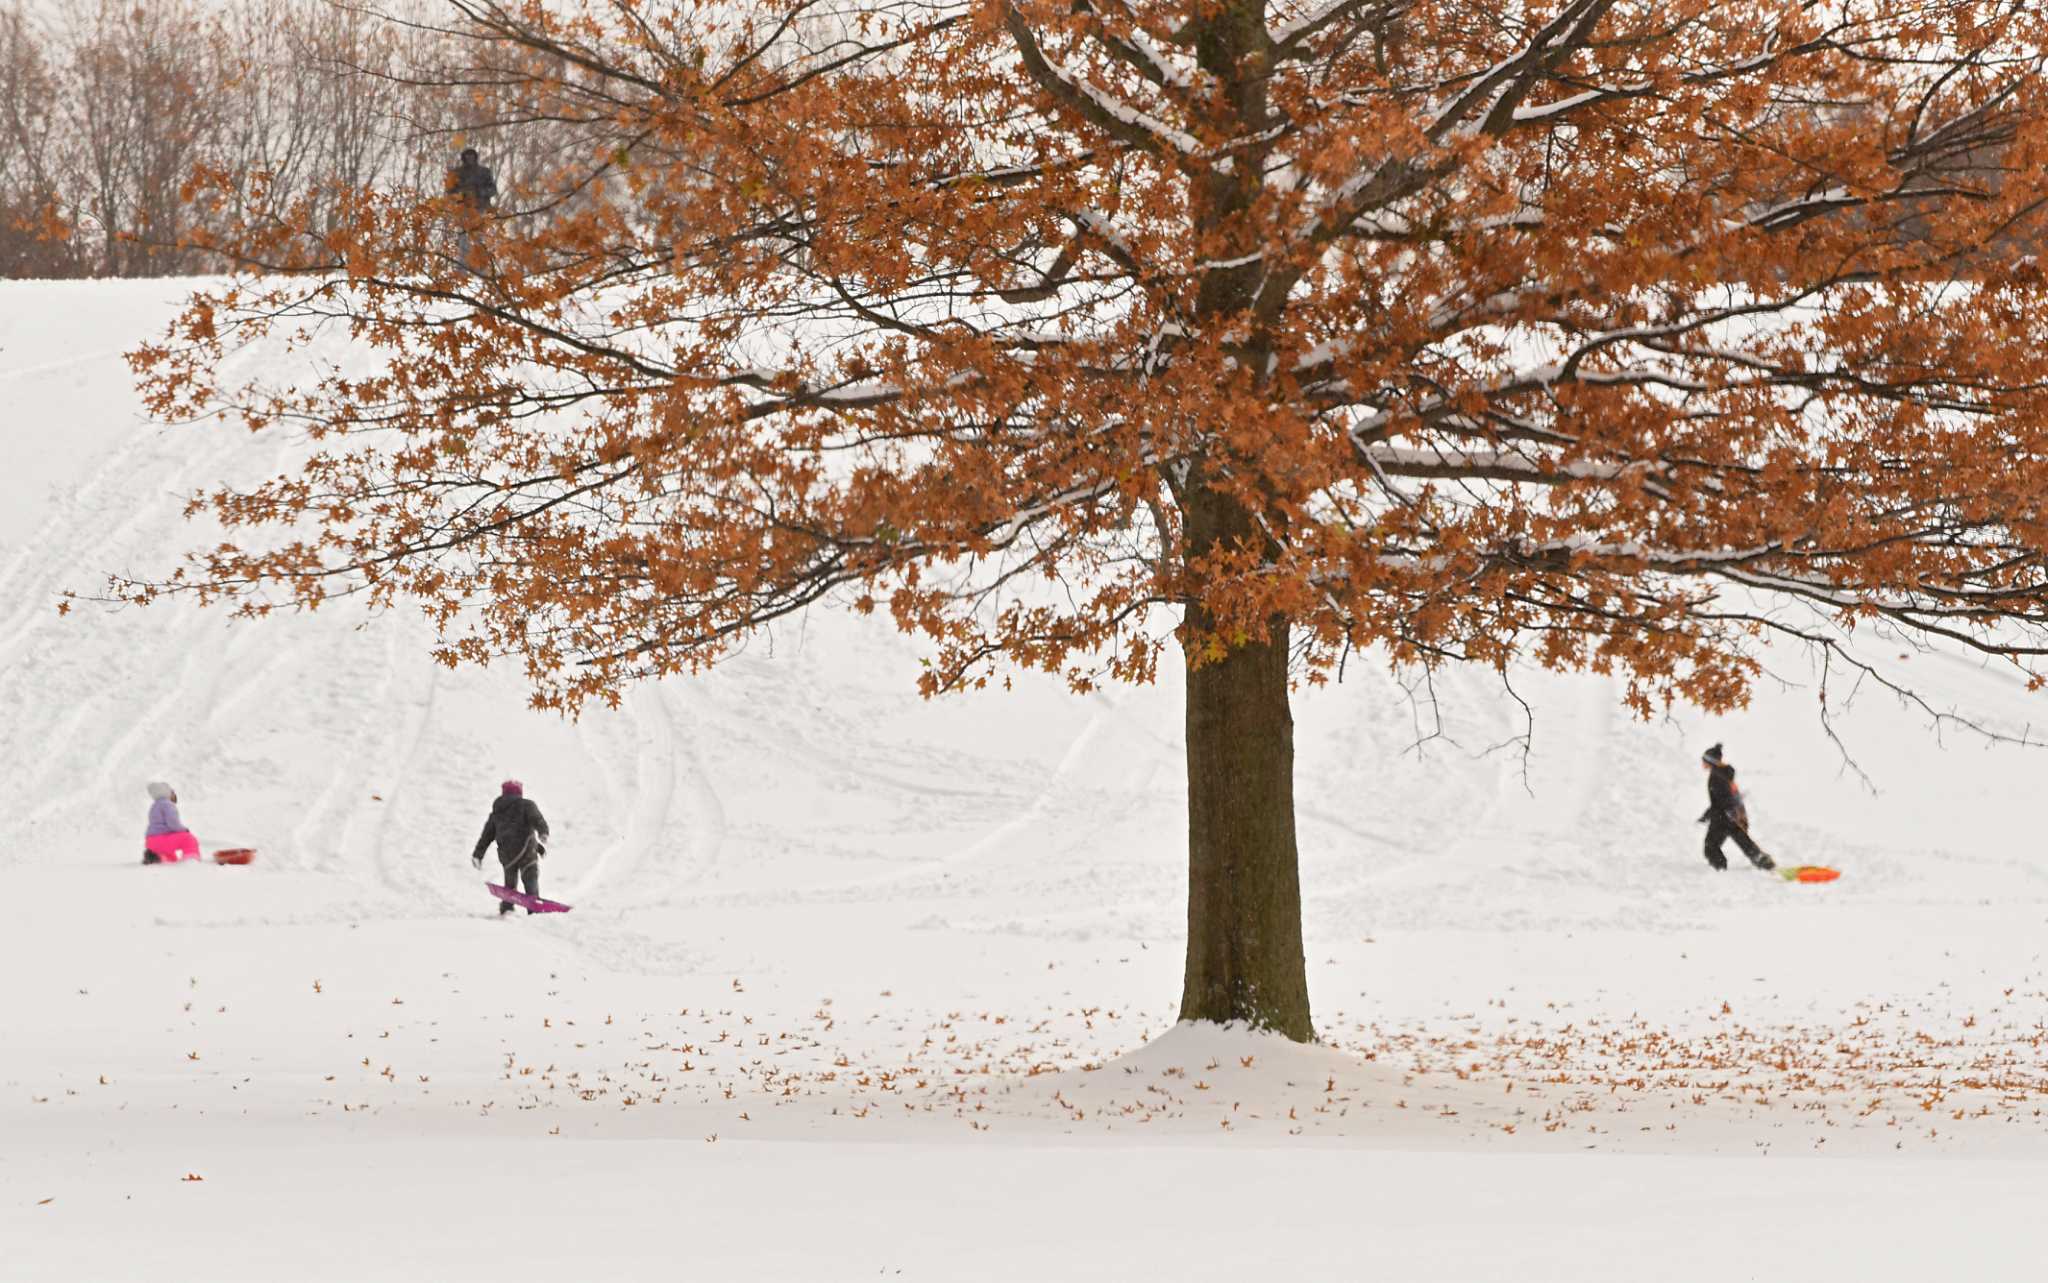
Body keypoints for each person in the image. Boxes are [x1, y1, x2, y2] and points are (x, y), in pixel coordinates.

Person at [472, 779, 549, 913]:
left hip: (507, 855)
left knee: (510, 882)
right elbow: (537, 819)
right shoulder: (527, 805)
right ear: (519, 791)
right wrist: (543, 832)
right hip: (527, 853)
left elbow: (486, 836)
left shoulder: (497, 813)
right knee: (530, 877)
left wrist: (478, 854)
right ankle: (533, 907)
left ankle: (507, 907)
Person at [1697, 744, 1774, 872]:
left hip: (1723, 816)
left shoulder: (1716, 777)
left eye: (1704, 761)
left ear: (1710, 761)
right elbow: (1725, 798)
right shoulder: (1724, 773)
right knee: (1744, 842)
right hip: (1735, 814)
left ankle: (1720, 871)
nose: (1702, 763)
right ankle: (1764, 863)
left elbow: (1721, 801)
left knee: (1710, 847)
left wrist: (1709, 814)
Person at [447, 148, 496, 269]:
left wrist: (480, 192)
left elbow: (493, 190)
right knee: (463, 241)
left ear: (475, 157)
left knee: (479, 240)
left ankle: (481, 270)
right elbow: (450, 191)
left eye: (472, 156)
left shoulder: (484, 172)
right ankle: (462, 270)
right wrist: (462, 194)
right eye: (467, 156)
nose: (469, 159)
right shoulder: (456, 173)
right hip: (463, 209)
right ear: (463, 158)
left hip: (479, 209)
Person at [142, 781, 200, 865]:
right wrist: (184, 830)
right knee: (189, 839)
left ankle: (158, 857)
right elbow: (173, 823)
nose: (174, 795)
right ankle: (191, 859)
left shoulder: (154, 806)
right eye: (172, 792)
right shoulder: (167, 804)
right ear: (167, 793)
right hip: (162, 839)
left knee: (171, 858)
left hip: (151, 841)